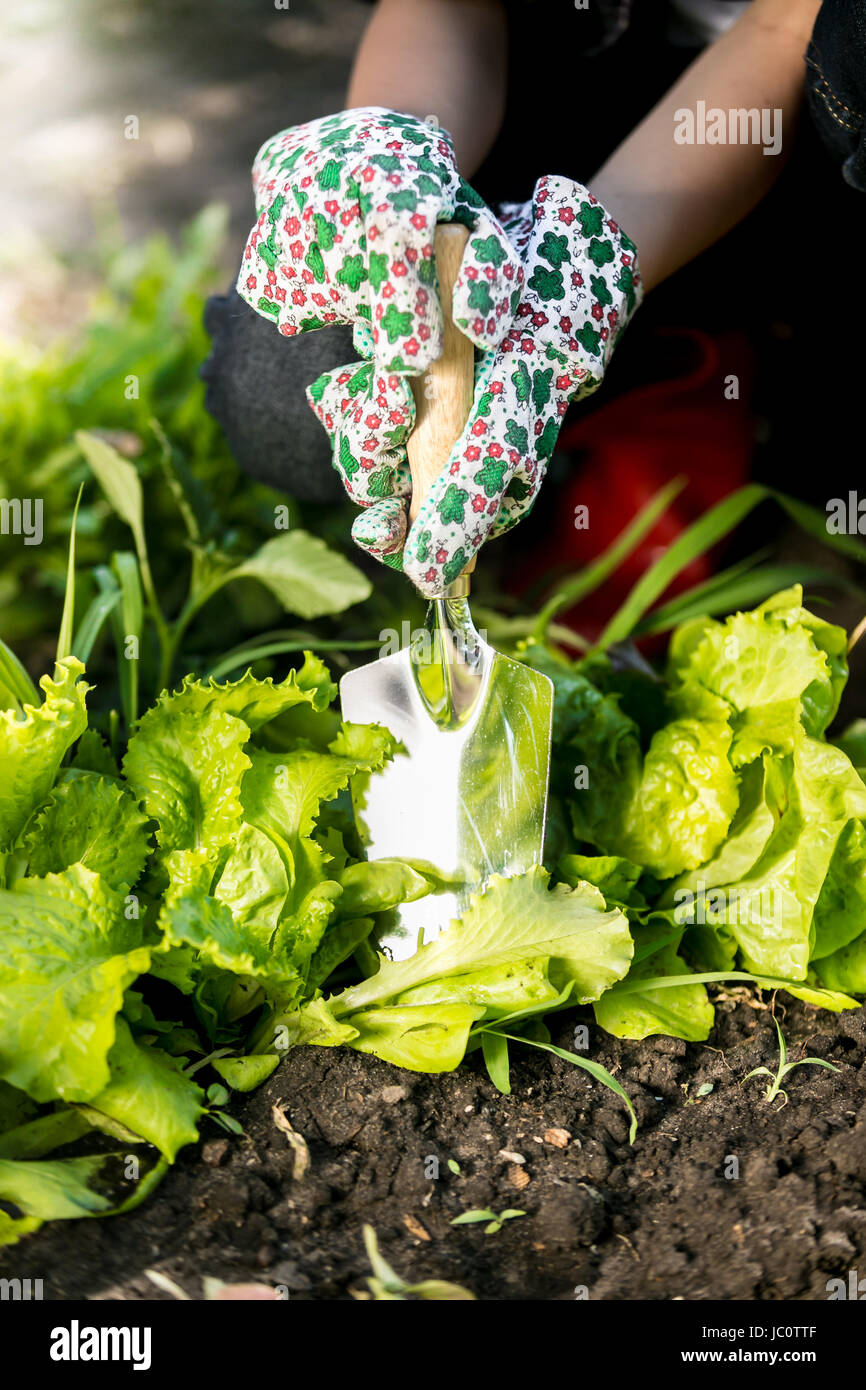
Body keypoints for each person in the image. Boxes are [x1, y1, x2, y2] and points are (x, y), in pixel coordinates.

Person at [202, 0, 848, 597]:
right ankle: (644, 389)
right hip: (538, 83)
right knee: (283, 399)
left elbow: (780, 28)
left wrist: (598, 266)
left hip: (780, 137)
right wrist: (394, 153)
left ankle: (724, 365)